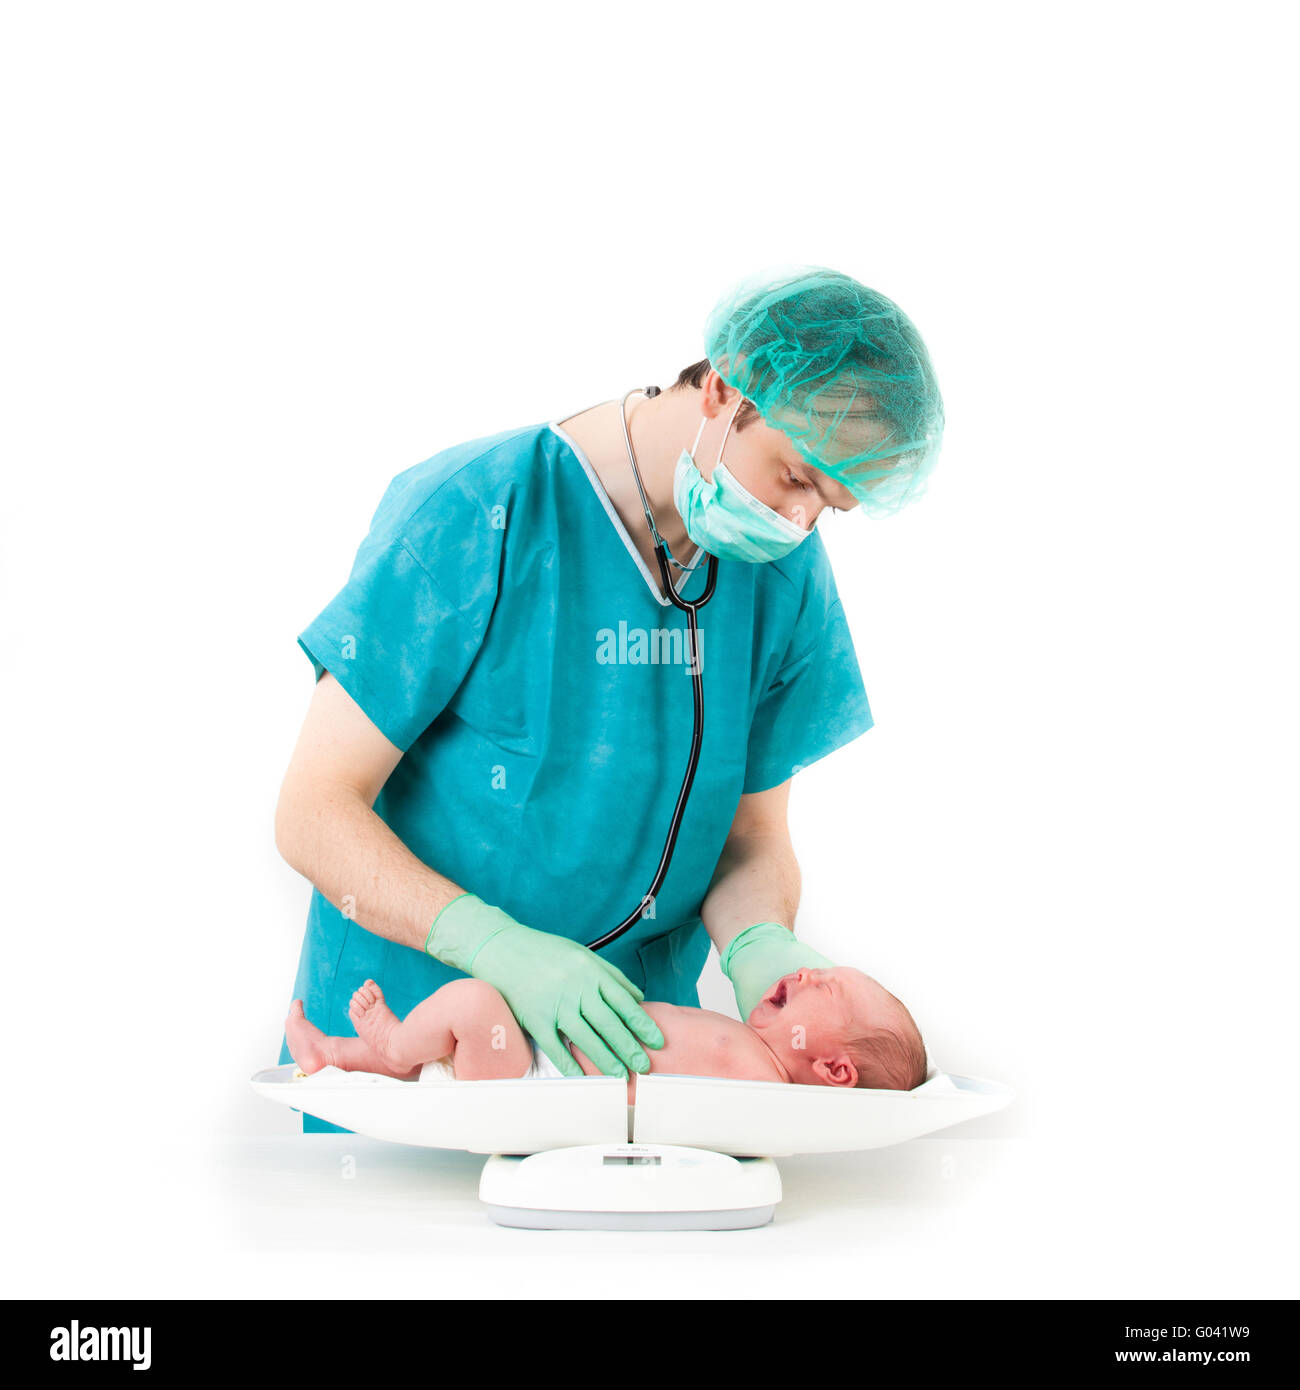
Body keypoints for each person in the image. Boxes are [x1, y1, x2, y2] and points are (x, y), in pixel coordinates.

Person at [273, 264, 944, 1131]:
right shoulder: (477, 510)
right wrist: (492, 946)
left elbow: (750, 840)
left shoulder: (784, 579)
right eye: (795, 477)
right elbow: (312, 811)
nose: (801, 523)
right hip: (406, 1070)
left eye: (831, 504)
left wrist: (755, 941)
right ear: (724, 389)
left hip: (625, 1106)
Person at [283, 964, 929, 1098]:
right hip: (537, 1056)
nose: (808, 971)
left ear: (836, 1070)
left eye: (828, 989)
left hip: (534, 1082)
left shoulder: (760, 1081)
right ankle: (334, 1053)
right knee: (443, 1056)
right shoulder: (754, 1054)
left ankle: (393, 1041)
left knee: (475, 1005)